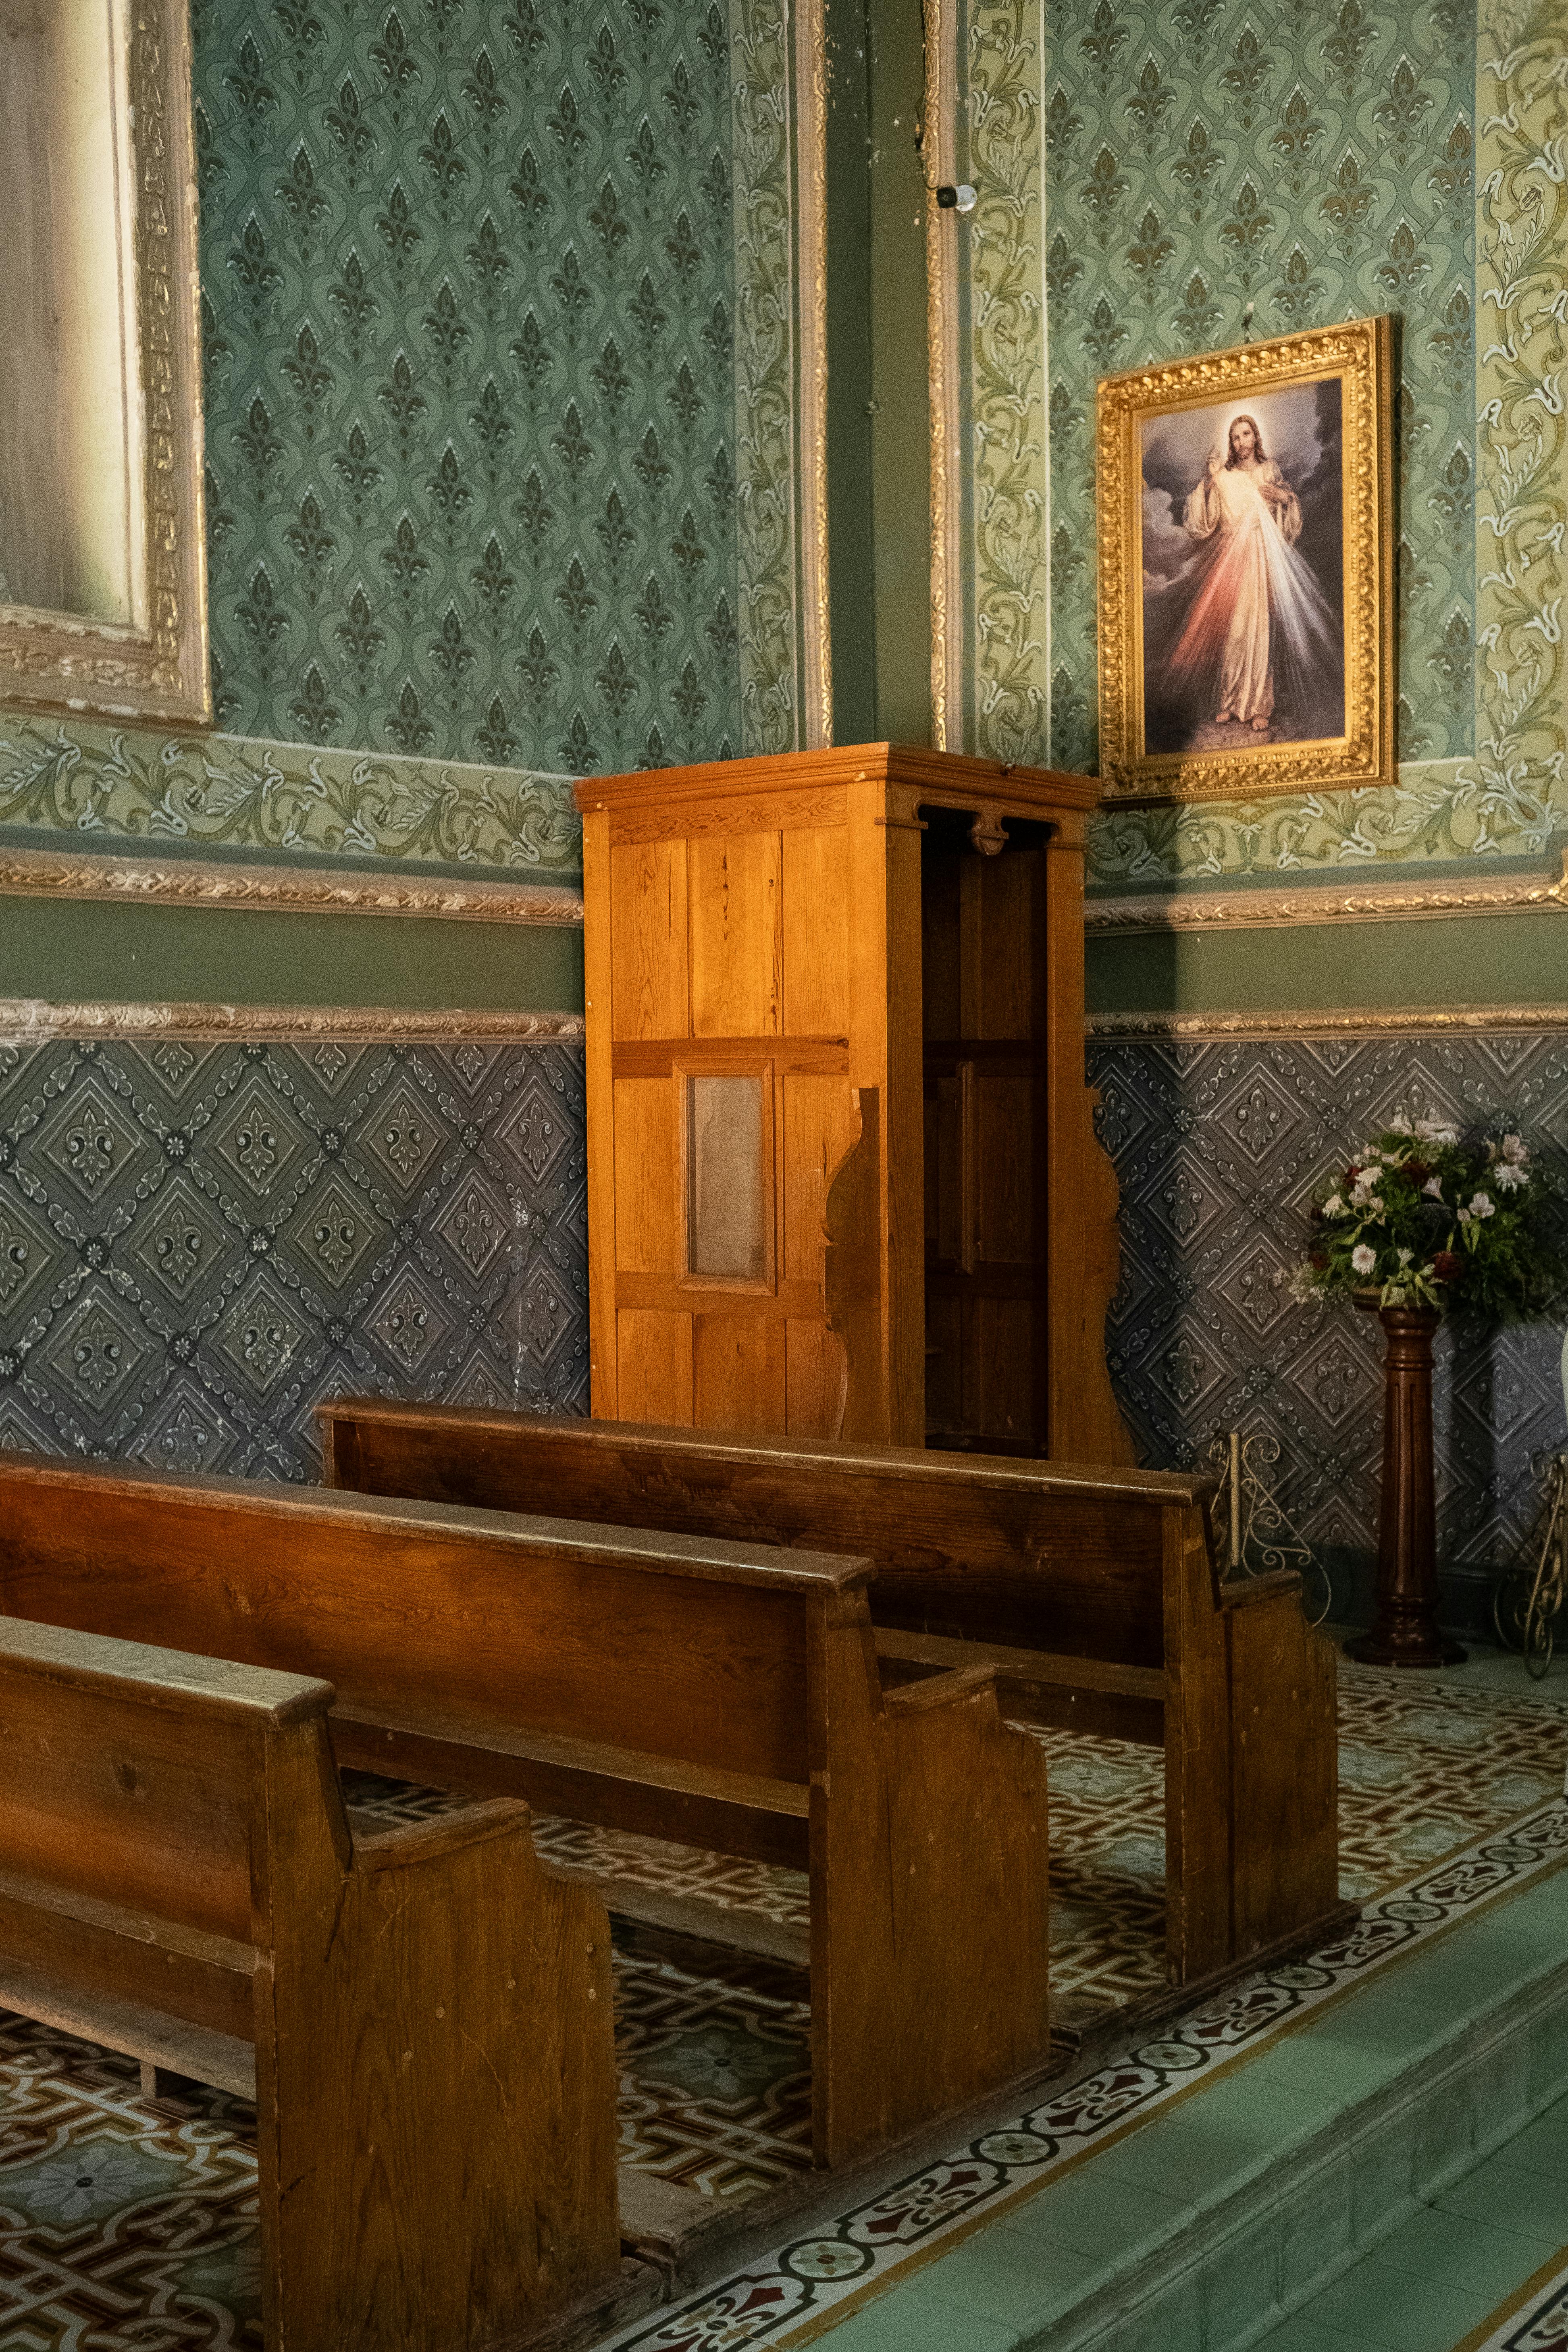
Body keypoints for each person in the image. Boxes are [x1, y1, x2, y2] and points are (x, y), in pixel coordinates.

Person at [1156, 413, 1340, 742]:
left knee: (1259, 629)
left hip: (1260, 556)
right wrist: (1211, 482)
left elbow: (1288, 512)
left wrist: (1284, 499)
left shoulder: (1269, 472)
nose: (1242, 442)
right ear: (1232, 443)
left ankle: (1258, 707)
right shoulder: (1224, 476)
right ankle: (1230, 700)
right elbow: (1204, 523)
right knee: (1235, 632)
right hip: (1231, 558)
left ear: (1256, 437)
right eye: (1236, 437)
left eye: (1246, 434)